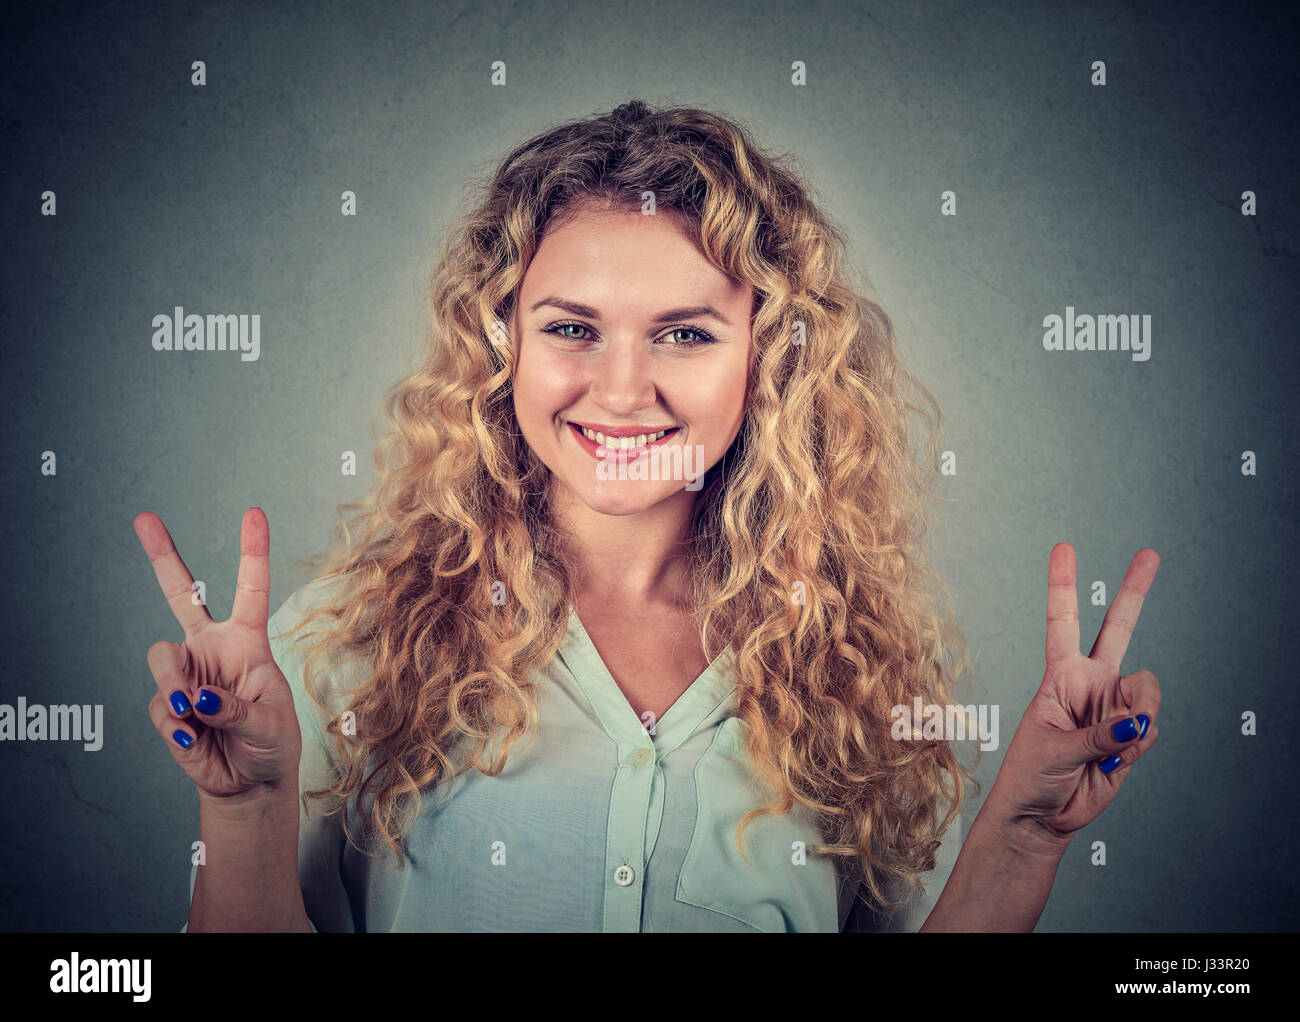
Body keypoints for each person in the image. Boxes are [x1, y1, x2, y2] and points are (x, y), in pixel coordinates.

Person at [134, 100, 1162, 932]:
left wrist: (1022, 839)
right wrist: (243, 811)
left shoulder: (852, 673)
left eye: (683, 332)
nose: (622, 390)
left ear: (766, 356)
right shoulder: (340, 652)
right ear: (502, 347)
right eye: (572, 327)